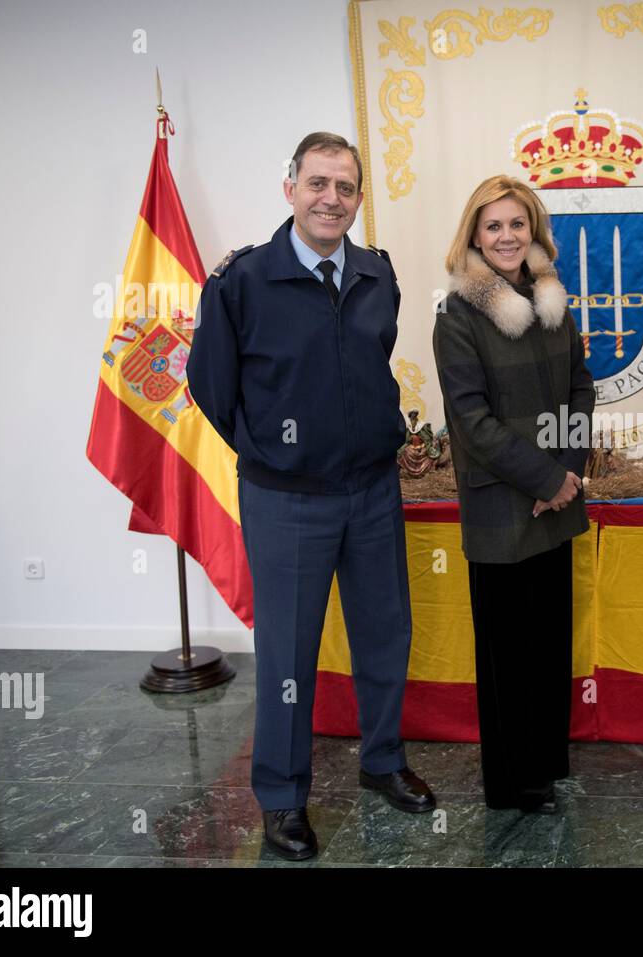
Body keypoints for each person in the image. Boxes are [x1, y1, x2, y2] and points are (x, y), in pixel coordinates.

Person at [188, 131, 435, 861]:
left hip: (371, 490)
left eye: (346, 187)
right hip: (286, 500)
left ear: (360, 198)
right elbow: (211, 385)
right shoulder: (242, 281)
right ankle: (283, 796)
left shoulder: (375, 274)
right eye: (318, 183)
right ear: (289, 187)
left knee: (385, 635)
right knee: (289, 654)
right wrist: (272, 452)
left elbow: (371, 367)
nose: (332, 198)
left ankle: (382, 760)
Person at [432, 175, 594, 813]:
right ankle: (513, 782)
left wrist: (570, 469)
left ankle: (546, 763)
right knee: (508, 650)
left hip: (558, 493)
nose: (506, 236)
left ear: (534, 231)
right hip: (503, 501)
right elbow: (470, 422)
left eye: (517, 224)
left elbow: (582, 387)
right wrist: (546, 479)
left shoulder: (553, 300)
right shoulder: (457, 314)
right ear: (474, 233)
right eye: (493, 225)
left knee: (550, 639)